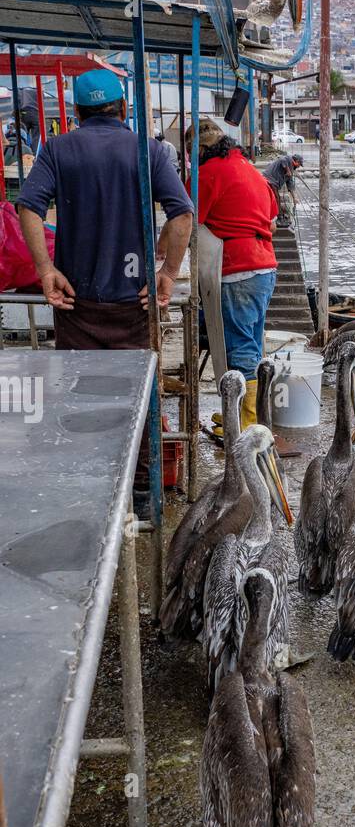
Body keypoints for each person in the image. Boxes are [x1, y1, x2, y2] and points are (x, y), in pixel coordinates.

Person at [18, 67, 193, 512]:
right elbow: (182, 214)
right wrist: (167, 274)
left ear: (77, 112)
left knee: (85, 401)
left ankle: (94, 495)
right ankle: (142, 496)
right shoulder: (148, 150)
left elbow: (28, 206)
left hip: (76, 307)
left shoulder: (57, 149)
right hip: (134, 308)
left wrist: (45, 270)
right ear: (123, 109)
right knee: (139, 401)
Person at [187, 117, 279, 428]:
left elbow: (186, 218)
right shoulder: (251, 172)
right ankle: (238, 413)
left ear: (198, 151)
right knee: (251, 343)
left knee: (240, 350)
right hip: (264, 268)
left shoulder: (207, 174)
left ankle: (247, 424)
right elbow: (273, 219)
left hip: (236, 271)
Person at [259, 152, 302, 225]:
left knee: (274, 199)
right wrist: (288, 170)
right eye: (299, 164)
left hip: (273, 183)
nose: (299, 166)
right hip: (268, 180)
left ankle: (276, 217)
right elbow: (282, 160)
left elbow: (290, 185)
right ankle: (278, 218)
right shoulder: (288, 159)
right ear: (296, 161)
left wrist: (294, 197)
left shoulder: (291, 172)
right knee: (276, 198)